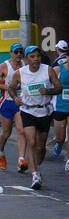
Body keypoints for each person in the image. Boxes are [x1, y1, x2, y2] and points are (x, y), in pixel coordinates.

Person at [8, 47, 60, 190]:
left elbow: (59, 88)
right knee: (31, 142)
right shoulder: (20, 73)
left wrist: (48, 91)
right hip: (27, 110)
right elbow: (11, 88)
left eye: (38, 56)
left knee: (41, 147)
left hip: (44, 110)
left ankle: (35, 166)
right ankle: (35, 174)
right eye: (32, 56)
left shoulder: (48, 70)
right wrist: (15, 98)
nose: (36, 59)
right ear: (26, 59)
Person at [1, 43, 28, 171]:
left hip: (19, 102)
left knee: (21, 130)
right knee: (6, 133)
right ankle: (1, 152)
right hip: (7, 102)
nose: (18, 54)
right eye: (16, 52)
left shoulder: (25, 66)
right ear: (11, 53)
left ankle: (21, 160)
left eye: (20, 52)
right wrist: (9, 87)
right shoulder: (4, 66)